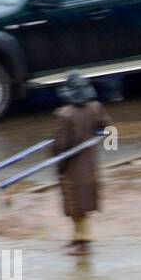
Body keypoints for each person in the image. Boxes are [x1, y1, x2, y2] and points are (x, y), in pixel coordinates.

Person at [53, 73, 111, 256]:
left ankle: (83, 242)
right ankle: (77, 238)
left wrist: (59, 163)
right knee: (83, 206)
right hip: (89, 166)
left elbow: (60, 145)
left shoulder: (65, 115)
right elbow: (107, 127)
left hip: (71, 169)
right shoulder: (96, 108)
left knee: (76, 207)